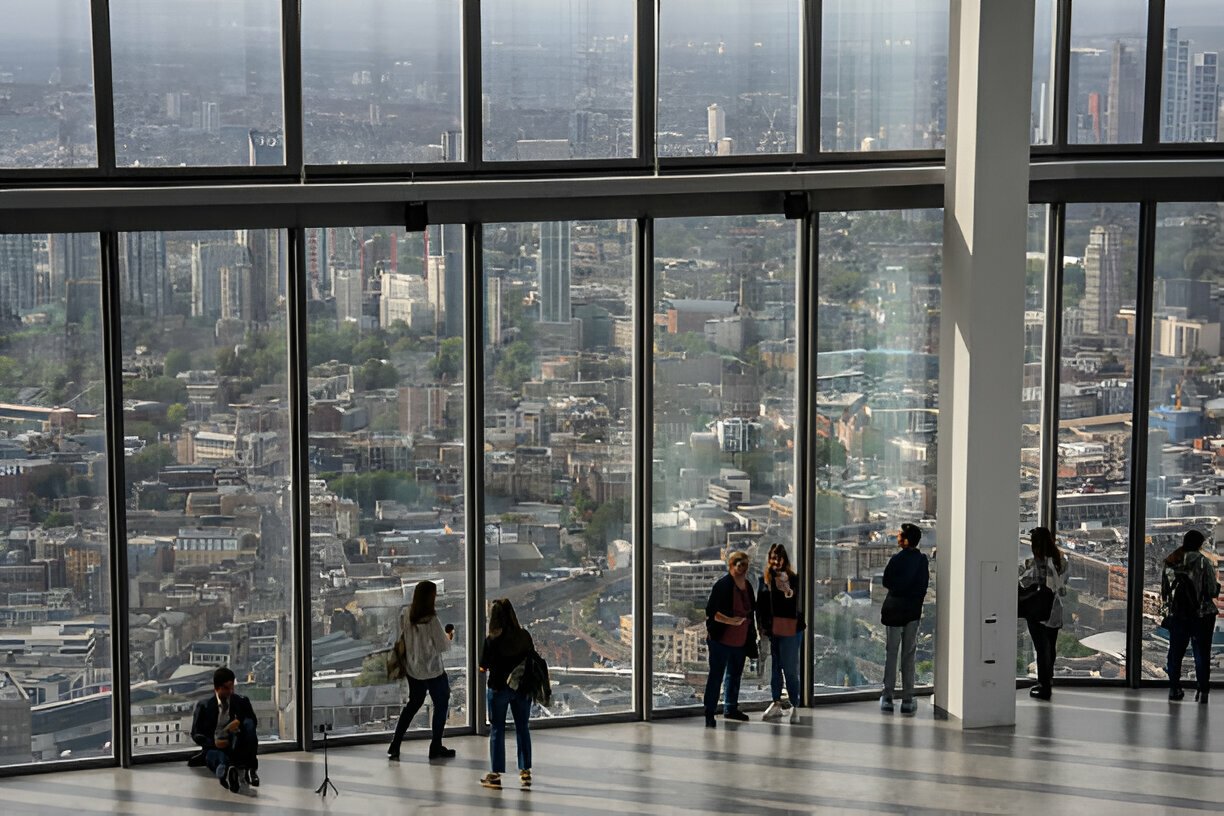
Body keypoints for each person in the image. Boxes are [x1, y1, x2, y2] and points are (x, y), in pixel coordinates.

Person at [387, 580, 456, 760]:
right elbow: (442, 646)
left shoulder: (405, 614)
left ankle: (395, 744)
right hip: (433, 670)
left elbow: (398, 638)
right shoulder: (432, 620)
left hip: (413, 669)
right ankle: (435, 746)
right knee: (441, 705)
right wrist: (449, 635)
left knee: (413, 705)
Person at [478, 598, 534, 789]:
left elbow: (483, 667)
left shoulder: (491, 641)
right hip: (522, 689)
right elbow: (531, 658)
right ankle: (525, 771)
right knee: (522, 727)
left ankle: (495, 774)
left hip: (498, 689)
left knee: (497, 729)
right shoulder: (524, 636)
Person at [1162, 530, 1220, 703]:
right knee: (1201, 653)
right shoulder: (1203, 562)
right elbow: (1211, 590)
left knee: (1175, 653)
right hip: (1203, 614)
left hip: (1179, 615)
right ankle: (1202, 691)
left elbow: (1165, 591)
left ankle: (1174, 688)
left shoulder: (1172, 561)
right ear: (1199, 544)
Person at [703, 550, 757, 728]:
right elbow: (711, 612)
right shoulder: (722, 585)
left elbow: (751, 612)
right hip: (721, 640)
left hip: (740, 641)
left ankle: (730, 708)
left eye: (745, 564)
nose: (741, 568)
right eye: (738, 564)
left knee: (734, 676)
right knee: (716, 676)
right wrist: (731, 621)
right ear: (731, 566)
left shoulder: (748, 586)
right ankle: (709, 713)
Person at [880, 523, 929, 715]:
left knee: (892, 654)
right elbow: (922, 587)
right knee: (909, 655)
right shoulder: (921, 561)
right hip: (912, 613)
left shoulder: (896, 559)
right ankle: (908, 698)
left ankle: (888, 697)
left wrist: (898, 590)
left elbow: (886, 581)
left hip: (894, 612)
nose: (897, 537)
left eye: (900, 535)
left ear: (906, 540)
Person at [189, 666, 259, 793]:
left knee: (248, 723)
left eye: (232, 687)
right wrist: (215, 743)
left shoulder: (241, 701)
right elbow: (196, 733)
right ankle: (227, 772)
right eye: (227, 688)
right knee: (219, 757)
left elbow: (252, 722)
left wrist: (238, 724)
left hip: (235, 744)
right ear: (217, 688)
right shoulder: (204, 706)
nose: (231, 691)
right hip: (214, 746)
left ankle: (245, 769)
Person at [1019, 526, 1068, 701]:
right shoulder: (1061, 561)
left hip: (1037, 611)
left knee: (1041, 648)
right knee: (1050, 647)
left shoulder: (1035, 564)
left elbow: (1024, 582)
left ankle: (1044, 685)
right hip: (1055, 609)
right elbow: (1062, 585)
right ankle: (1048, 681)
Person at [757, 543, 803, 721]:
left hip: (791, 628)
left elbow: (795, 602)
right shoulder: (764, 580)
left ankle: (794, 705)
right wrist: (761, 627)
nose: (775, 562)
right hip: (773, 630)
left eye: (779, 558)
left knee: (790, 668)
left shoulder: (793, 579)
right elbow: (760, 606)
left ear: (784, 560)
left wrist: (787, 590)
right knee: (775, 667)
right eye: (773, 558)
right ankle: (776, 702)